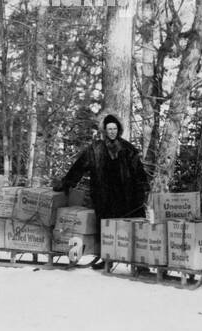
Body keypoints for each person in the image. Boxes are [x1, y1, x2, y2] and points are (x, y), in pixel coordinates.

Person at [55, 113, 148, 269]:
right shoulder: (95, 149)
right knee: (104, 228)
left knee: (130, 227)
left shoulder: (128, 149)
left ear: (119, 130)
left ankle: (140, 262)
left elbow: (139, 172)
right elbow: (79, 167)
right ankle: (106, 258)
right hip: (104, 196)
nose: (112, 131)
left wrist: (144, 188)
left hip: (126, 196)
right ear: (105, 130)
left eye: (115, 128)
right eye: (109, 128)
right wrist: (67, 183)